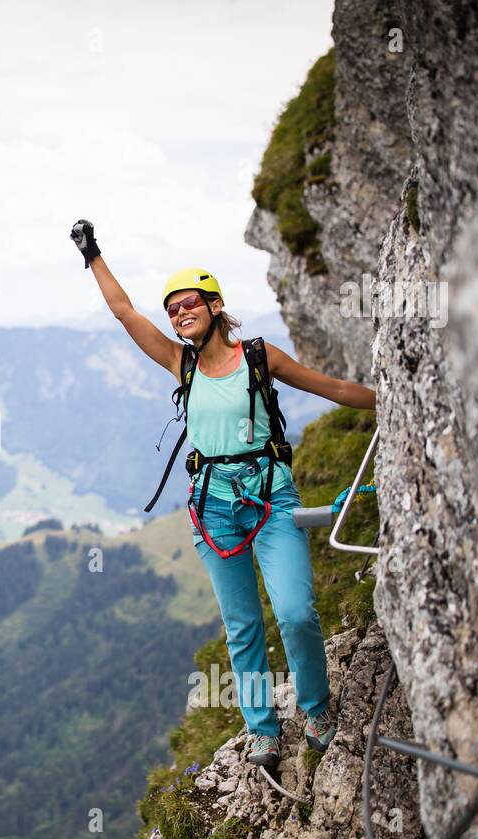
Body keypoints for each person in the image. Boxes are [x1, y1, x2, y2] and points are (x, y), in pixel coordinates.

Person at [70, 219, 376, 768]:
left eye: (189, 303)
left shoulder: (260, 358)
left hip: (269, 499)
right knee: (241, 625)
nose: (178, 313)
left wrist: (396, 397)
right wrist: (92, 254)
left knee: (296, 612)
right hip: (212, 507)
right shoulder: (178, 362)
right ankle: (262, 729)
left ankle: (317, 709)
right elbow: (124, 312)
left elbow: (330, 387)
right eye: (173, 308)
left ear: (215, 306)